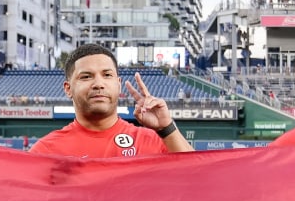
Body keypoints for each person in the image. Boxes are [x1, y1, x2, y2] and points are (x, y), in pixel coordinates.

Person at [28, 44, 193, 157]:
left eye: (107, 75)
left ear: (118, 84)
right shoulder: (46, 151)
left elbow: (200, 177)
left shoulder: (150, 141)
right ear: (68, 89)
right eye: (86, 77)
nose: (98, 84)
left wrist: (167, 128)